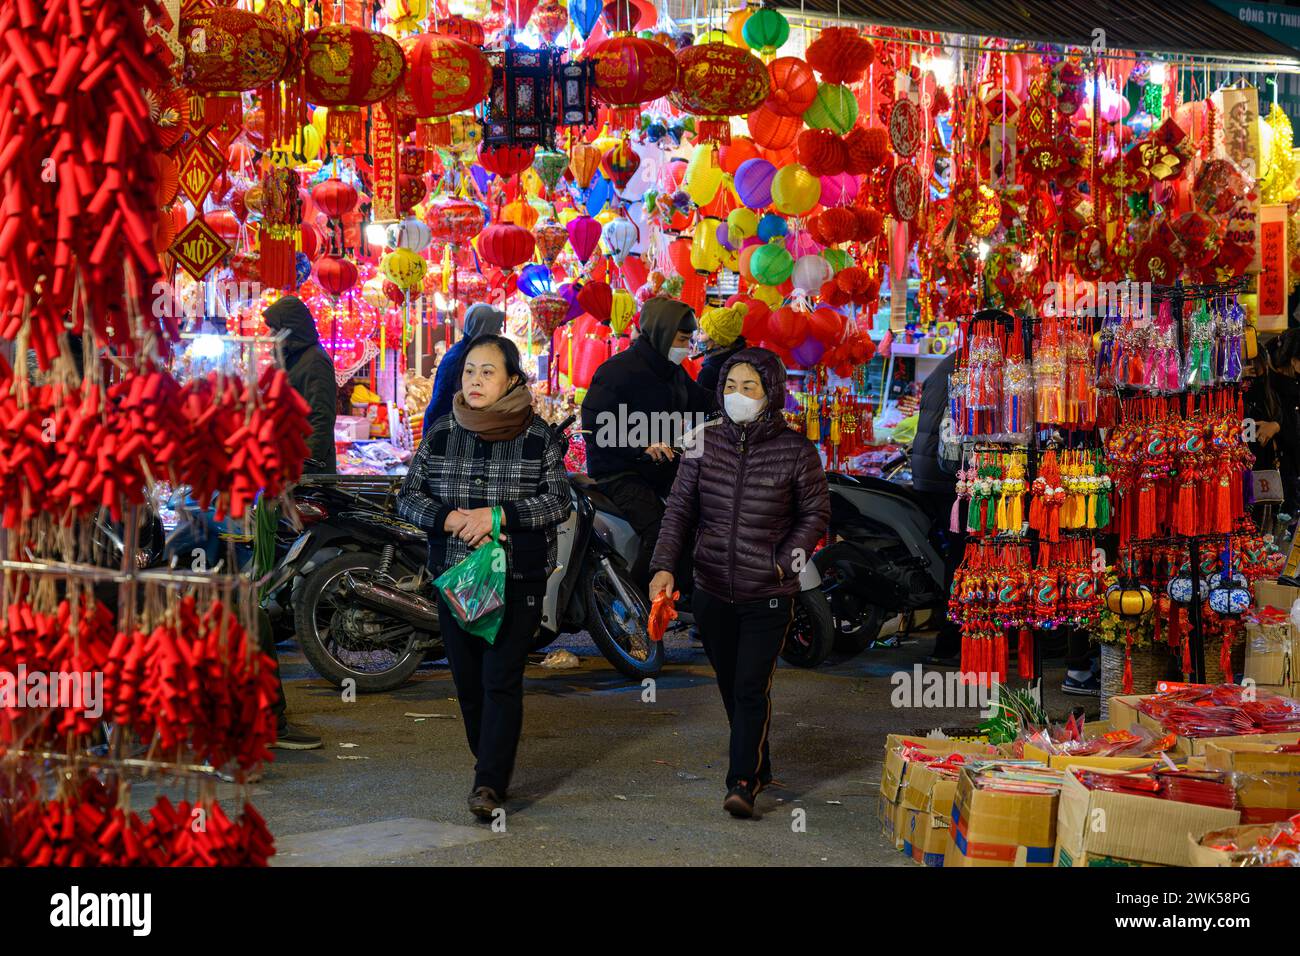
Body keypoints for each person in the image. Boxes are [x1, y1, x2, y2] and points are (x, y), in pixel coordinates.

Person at [649, 347, 829, 819]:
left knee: (750, 686)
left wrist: (782, 565)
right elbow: (679, 512)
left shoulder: (797, 450)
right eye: (730, 387)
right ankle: (759, 763)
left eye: (749, 387)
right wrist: (664, 567)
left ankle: (742, 782)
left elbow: (815, 516)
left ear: (770, 393)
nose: (738, 396)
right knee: (731, 686)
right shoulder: (702, 443)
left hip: (767, 594)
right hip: (710, 589)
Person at [397, 334, 571, 821]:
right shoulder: (440, 433)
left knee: (500, 678)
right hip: (457, 578)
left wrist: (496, 517)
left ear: (512, 379)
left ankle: (489, 783)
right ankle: (488, 759)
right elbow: (408, 497)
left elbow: (558, 501)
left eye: (488, 372)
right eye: (469, 371)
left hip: (518, 576)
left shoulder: (539, 437)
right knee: (468, 681)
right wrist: (450, 519)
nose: (475, 380)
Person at [580, 297, 714, 589]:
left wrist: (741, 407)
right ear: (662, 333)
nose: (686, 346)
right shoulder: (617, 371)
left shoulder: (672, 371)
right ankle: (636, 604)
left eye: (690, 339)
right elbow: (593, 426)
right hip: (619, 470)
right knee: (660, 530)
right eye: (682, 339)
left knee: (708, 506)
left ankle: (691, 590)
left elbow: (701, 402)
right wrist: (640, 445)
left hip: (662, 466)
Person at [262, 294, 337, 474]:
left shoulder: (315, 360)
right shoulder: (290, 358)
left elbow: (320, 418)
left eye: (274, 329)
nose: (270, 335)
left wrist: (305, 467)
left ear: (289, 329)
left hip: (308, 475)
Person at [423, 302, 506, 435]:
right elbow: (441, 403)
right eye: (496, 328)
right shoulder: (459, 358)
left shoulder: (474, 353)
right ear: (484, 328)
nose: (499, 333)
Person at [696, 304, 747, 394]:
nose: (698, 337)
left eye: (701, 332)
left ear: (716, 339)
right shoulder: (741, 354)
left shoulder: (709, 373)